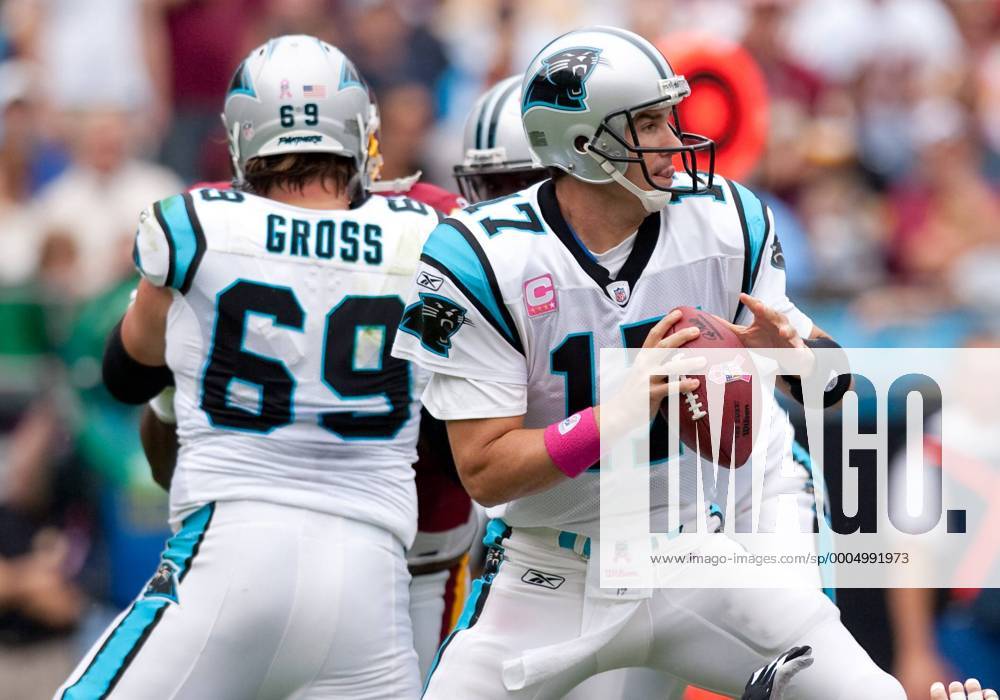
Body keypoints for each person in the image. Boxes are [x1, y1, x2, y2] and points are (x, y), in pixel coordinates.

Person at [392, 26, 901, 699]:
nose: (674, 141)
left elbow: (836, 390)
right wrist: (619, 415)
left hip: (691, 549)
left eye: (670, 117)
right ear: (582, 147)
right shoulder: (480, 257)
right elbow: (484, 472)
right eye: (651, 124)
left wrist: (797, 364)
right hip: (554, 570)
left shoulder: (724, 219)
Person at [54, 35, 439, 699]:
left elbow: (126, 374)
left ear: (241, 138)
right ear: (358, 132)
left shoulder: (194, 227)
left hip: (231, 552)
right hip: (371, 580)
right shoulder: (427, 238)